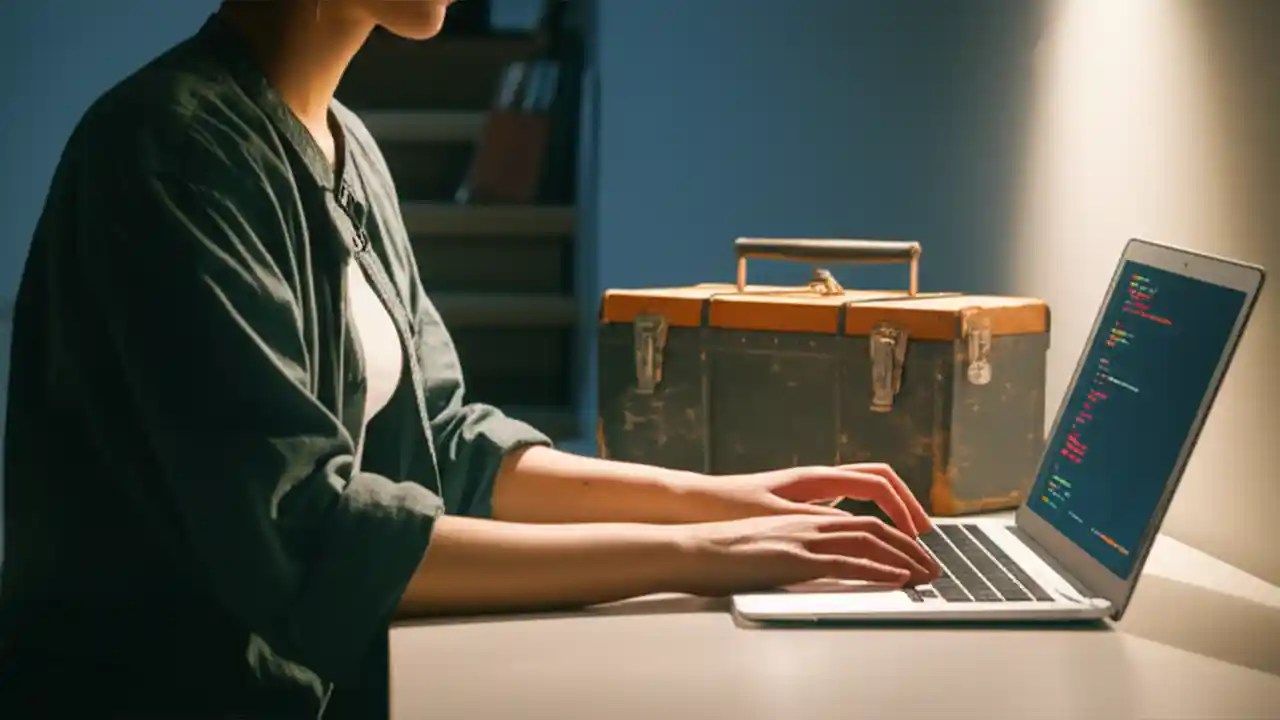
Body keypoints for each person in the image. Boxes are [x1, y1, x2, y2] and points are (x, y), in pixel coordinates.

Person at [0, 1, 940, 717]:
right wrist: (702, 556)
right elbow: (307, 533)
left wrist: (744, 499)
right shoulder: (168, 149)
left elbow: (446, 444)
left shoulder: (345, 142)